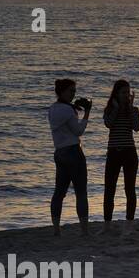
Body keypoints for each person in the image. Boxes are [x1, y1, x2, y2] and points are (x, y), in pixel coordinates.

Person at [48, 78, 90, 236]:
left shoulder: (53, 109)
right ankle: (84, 230)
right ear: (63, 91)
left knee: (59, 192)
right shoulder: (68, 110)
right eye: (71, 91)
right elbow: (78, 131)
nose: (74, 94)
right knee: (81, 192)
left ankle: (56, 228)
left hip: (59, 152)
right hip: (73, 152)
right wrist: (87, 113)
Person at [101, 79, 139, 228]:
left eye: (127, 92)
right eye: (123, 92)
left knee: (130, 189)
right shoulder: (109, 109)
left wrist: (130, 108)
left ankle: (129, 222)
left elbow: (137, 127)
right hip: (114, 153)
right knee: (109, 188)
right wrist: (117, 109)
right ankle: (107, 223)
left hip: (129, 152)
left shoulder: (133, 109)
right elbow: (108, 124)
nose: (126, 95)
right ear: (116, 94)